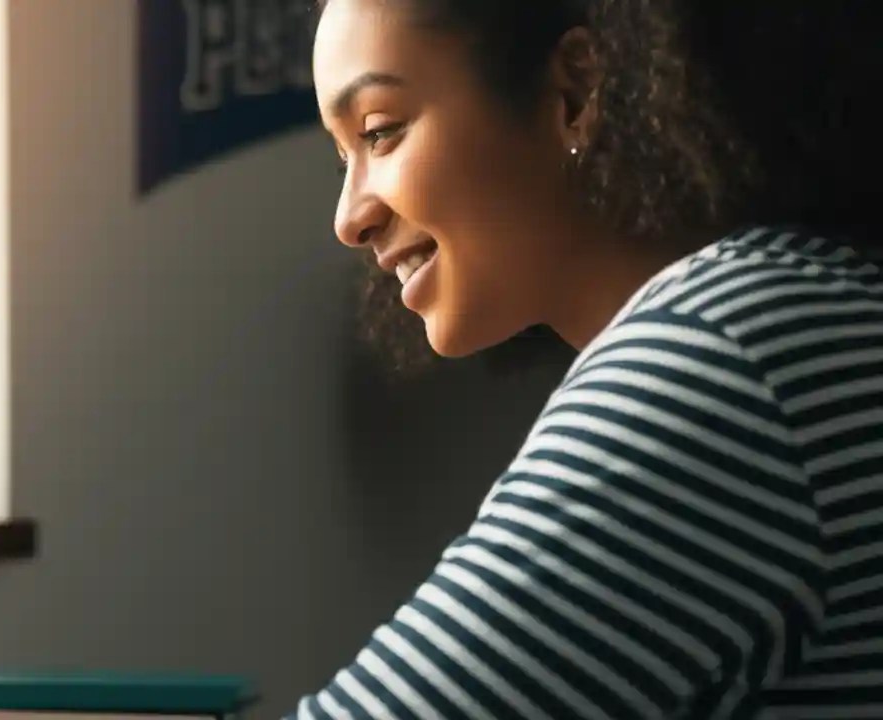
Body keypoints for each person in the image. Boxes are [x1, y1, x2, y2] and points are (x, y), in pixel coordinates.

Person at [295, 0, 883, 717]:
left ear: (573, 91)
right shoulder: (812, 307)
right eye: (341, 157)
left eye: (381, 132)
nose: (349, 216)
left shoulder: (726, 351)